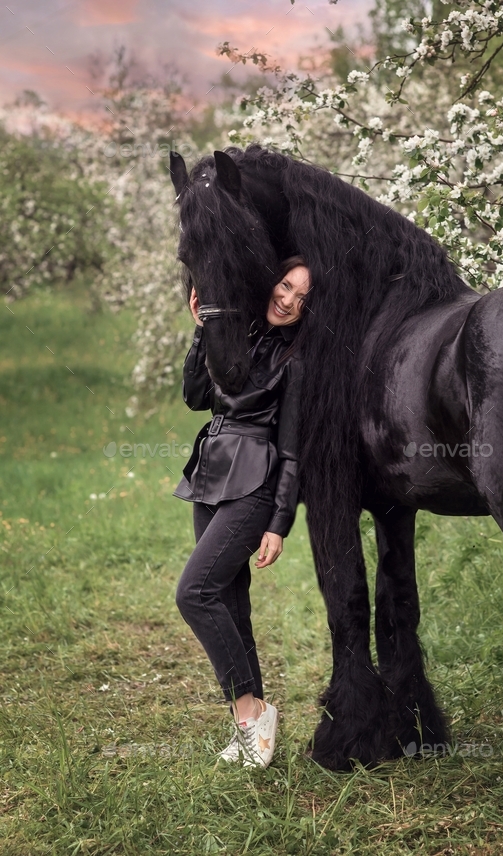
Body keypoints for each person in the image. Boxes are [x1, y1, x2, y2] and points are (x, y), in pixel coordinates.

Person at [173, 255, 310, 768]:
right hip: (210, 471)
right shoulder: (237, 333)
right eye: (285, 286)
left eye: (302, 298)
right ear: (270, 281)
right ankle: (250, 730)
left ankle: (251, 710)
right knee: (229, 602)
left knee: (194, 592)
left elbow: (293, 450)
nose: (289, 300)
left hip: (256, 480)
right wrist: (202, 332)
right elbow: (194, 397)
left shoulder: (296, 359)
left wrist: (279, 522)